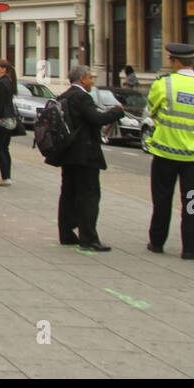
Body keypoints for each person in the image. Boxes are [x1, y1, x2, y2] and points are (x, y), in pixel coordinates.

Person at [145, 42, 194, 259]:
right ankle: (192, 246)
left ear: (174, 61)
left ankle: (157, 241)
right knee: (192, 199)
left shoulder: (164, 84)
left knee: (162, 198)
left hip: (166, 151)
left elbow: (151, 111)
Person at [57, 65, 126, 251]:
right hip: (85, 154)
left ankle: (66, 234)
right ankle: (88, 238)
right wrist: (117, 111)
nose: (92, 81)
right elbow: (96, 119)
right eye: (90, 78)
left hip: (68, 153)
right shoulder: (82, 97)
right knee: (88, 196)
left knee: (68, 194)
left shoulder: (64, 96)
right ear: (81, 80)